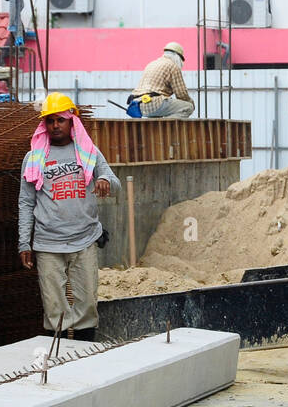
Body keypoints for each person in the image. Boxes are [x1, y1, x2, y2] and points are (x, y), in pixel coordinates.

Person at [18, 93, 120, 341]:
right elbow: (25, 202)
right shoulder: (34, 159)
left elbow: (114, 182)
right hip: (48, 244)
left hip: (84, 240)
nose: (55, 126)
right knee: (55, 309)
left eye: (61, 120)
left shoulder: (88, 152)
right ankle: (59, 362)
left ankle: (85, 355)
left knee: (86, 306)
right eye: (50, 121)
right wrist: (24, 242)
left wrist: (105, 180)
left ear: (71, 121)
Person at [128, 42, 195, 118]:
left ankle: (157, 128)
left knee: (159, 113)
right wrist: (192, 104)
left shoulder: (151, 64)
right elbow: (181, 94)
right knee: (188, 107)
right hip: (154, 103)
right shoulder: (172, 66)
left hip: (138, 104)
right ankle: (166, 128)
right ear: (177, 57)